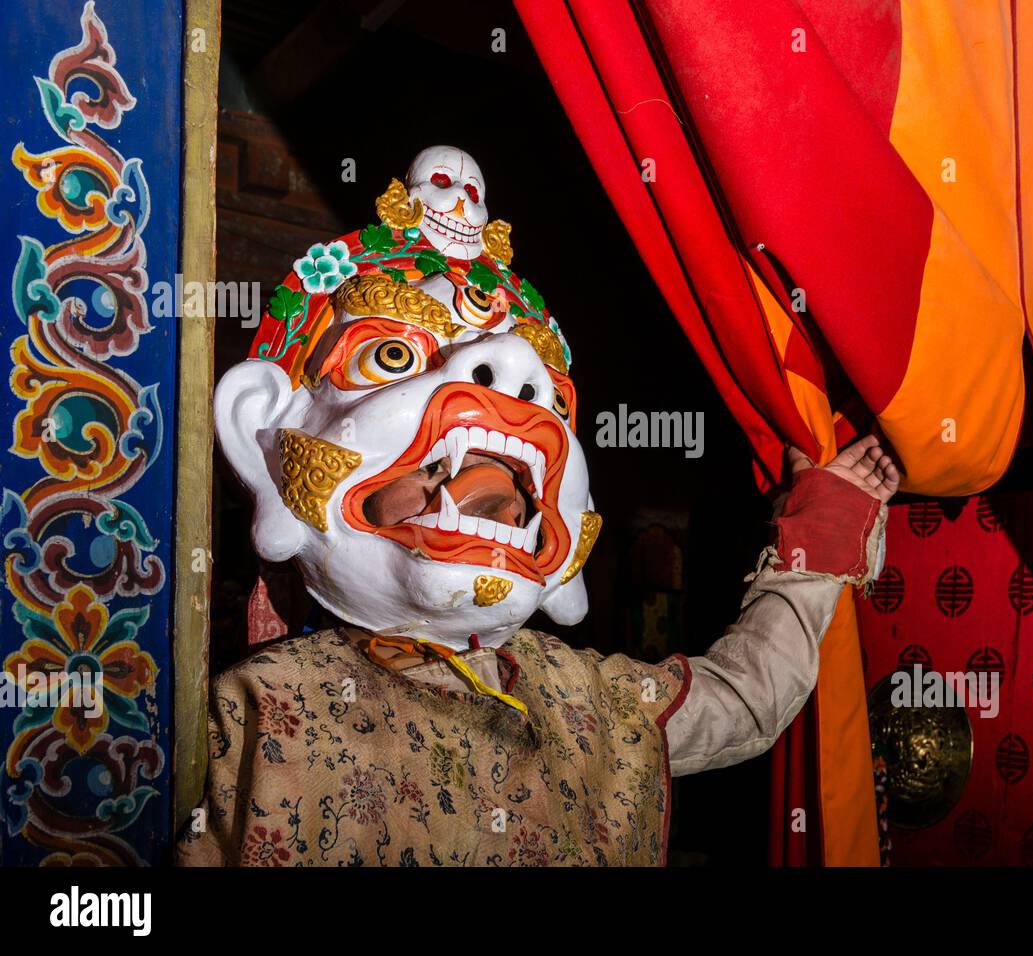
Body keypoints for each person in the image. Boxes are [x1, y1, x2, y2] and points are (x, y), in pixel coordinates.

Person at [177, 147, 897, 866]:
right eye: (393, 357)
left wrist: (819, 532)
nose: (512, 373)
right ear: (261, 435)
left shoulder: (590, 705)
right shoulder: (236, 721)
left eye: (551, 397)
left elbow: (746, 703)